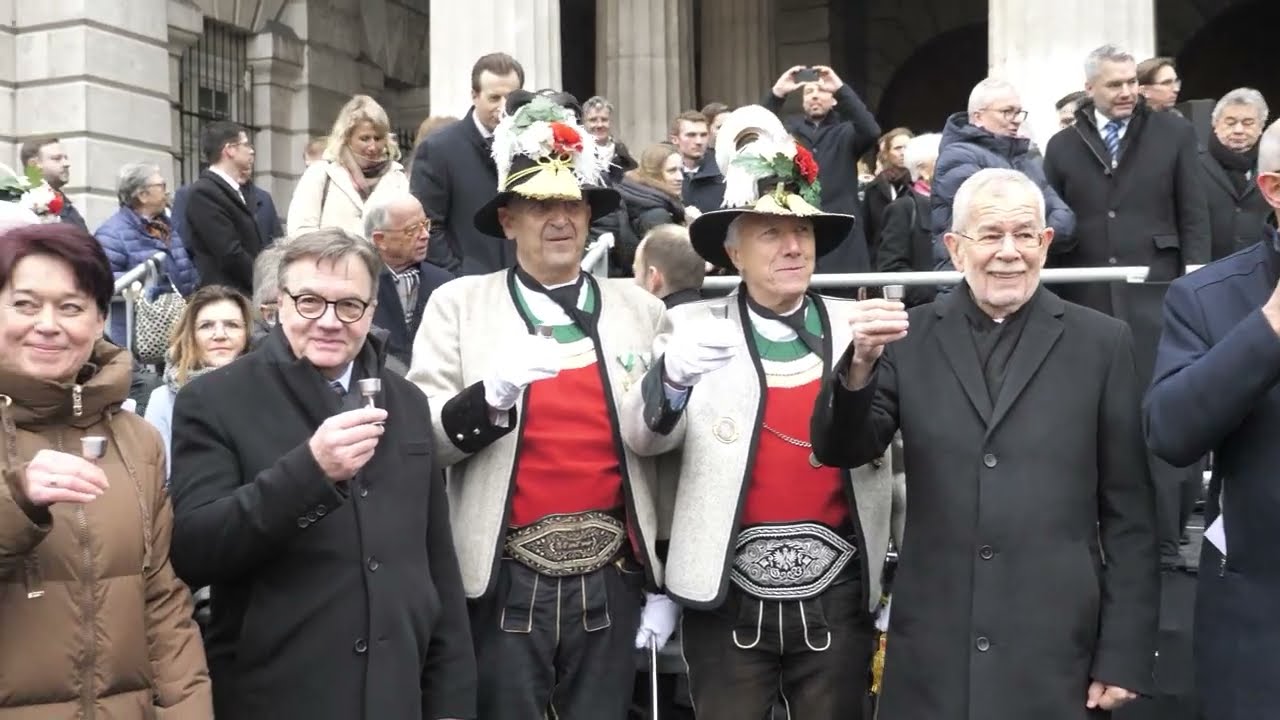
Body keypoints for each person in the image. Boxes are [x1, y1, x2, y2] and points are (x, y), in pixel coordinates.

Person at [811, 168, 1159, 719]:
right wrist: (857, 368)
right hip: (935, 647)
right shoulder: (909, 337)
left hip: (1055, 650)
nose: (1008, 252)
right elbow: (844, 449)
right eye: (990, 234)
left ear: (1046, 243)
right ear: (954, 247)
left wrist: (1124, 652)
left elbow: (1131, 515)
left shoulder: (1102, 342)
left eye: (1025, 234)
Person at [408, 89, 695, 720]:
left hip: (612, 575)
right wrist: (489, 399)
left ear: (590, 215)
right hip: (504, 577)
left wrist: (673, 392)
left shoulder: (641, 311)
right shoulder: (458, 305)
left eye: (570, 202)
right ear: (507, 220)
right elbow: (423, 440)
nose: (558, 218)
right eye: (538, 205)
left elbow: (663, 450)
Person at [622, 104, 893, 719]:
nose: (793, 245)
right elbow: (642, 438)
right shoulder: (689, 327)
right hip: (726, 595)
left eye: (802, 231)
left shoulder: (857, 325)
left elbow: (894, 462)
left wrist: (891, 574)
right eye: (770, 232)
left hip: (841, 591)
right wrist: (673, 376)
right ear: (734, 252)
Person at [168, 229, 475, 720]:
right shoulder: (213, 401)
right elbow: (196, 549)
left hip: (398, 695)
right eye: (310, 301)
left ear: (372, 310)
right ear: (278, 304)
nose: (329, 322)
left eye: (349, 305)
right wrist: (310, 472)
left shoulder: (408, 403)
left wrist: (452, 703)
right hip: (278, 696)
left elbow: (435, 564)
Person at [0, 222, 212, 717]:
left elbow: (161, 604)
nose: (48, 324)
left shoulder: (136, 440)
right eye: (25, 304)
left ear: (100, 321)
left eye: (71, 307)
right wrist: (17, 502)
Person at [1144, 118, 1280, 720]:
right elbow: (1170, 432)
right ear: (1274, 189)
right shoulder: (1209, 296)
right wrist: (1269, 329)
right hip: (1260, 620)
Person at [144, 285, 252, 472]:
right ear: (191, 335)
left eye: (232, 325)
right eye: (206, 326)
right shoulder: (162, 399)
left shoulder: (270, 388)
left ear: (247, 334)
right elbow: (158, 476)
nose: (219, 335)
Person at [95, 162, 199, 344]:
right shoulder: (112, 233)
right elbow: (102, 279)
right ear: (142, 195)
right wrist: (149, 284)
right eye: (161, 186)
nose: (167, 192)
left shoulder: (165, 226)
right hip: (138, 336)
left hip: (175, 327)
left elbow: (185, 271)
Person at [288, 95, 410, 239]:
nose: (373, 146)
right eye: (365, 138)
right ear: (347, 137)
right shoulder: (320, 173)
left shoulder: (398, 178)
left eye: (378, 138)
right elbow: (300, 233)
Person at [363, 192, 453, 366]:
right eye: (412, 230)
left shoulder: (444, 282)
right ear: (380, 239)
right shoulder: (359, 284)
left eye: (425, 225)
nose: (425, 235)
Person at [182, 120, 264, 295]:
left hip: (243, 293)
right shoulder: (204, 192)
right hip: (225, 296)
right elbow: (230, 253)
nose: (251, 150)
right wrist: (263, 282)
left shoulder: (236, 190)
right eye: (246, 144)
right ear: (230, 150)